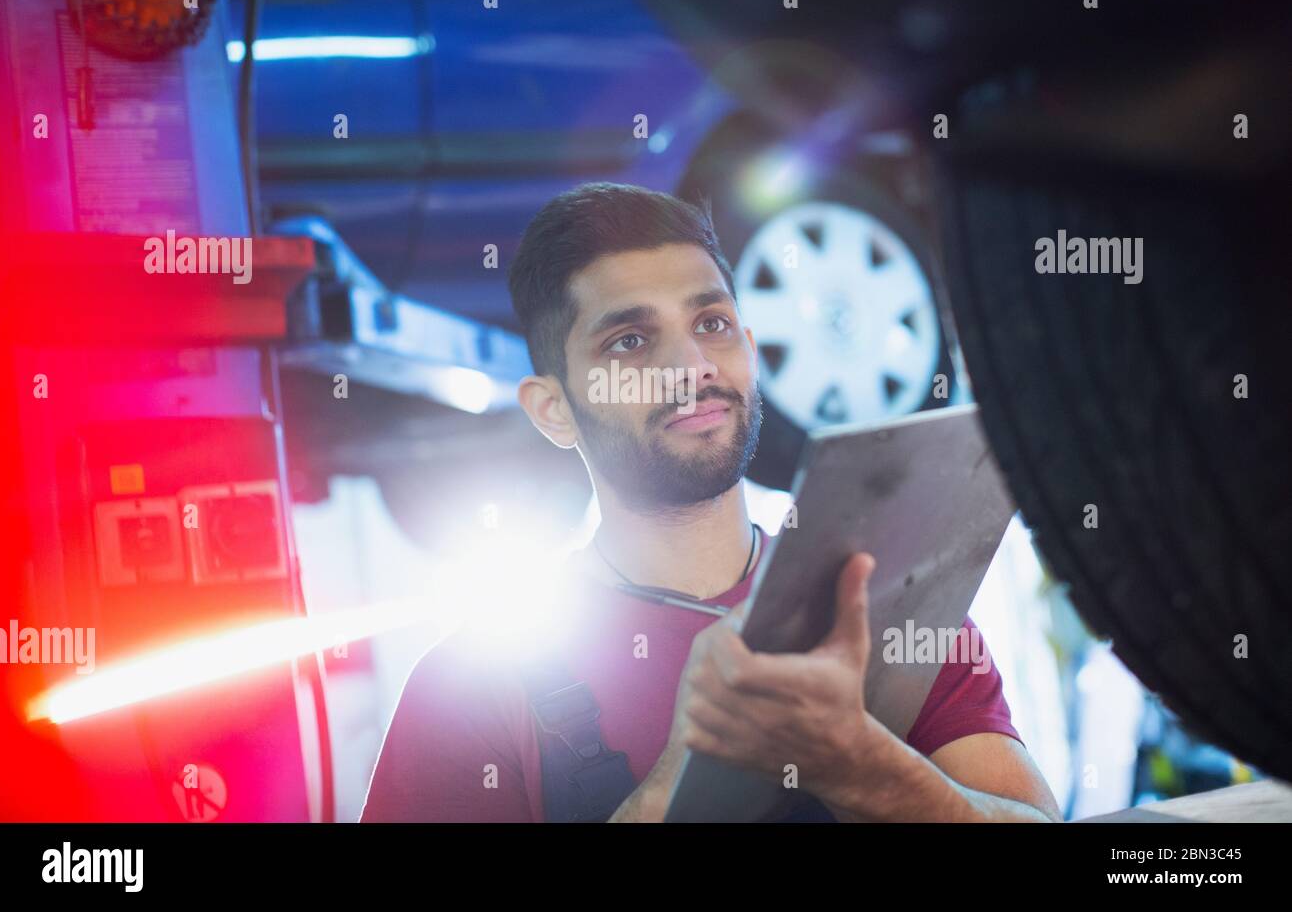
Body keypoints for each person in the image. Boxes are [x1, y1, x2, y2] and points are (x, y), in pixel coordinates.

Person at [361, 182, 1061, 822]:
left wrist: (863, 767)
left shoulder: (890, 605)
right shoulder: (468, 689)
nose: (691, 367)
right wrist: (681, 775)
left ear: (750, 352)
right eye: (630, 341)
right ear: (553, 411)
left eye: (713, 324)